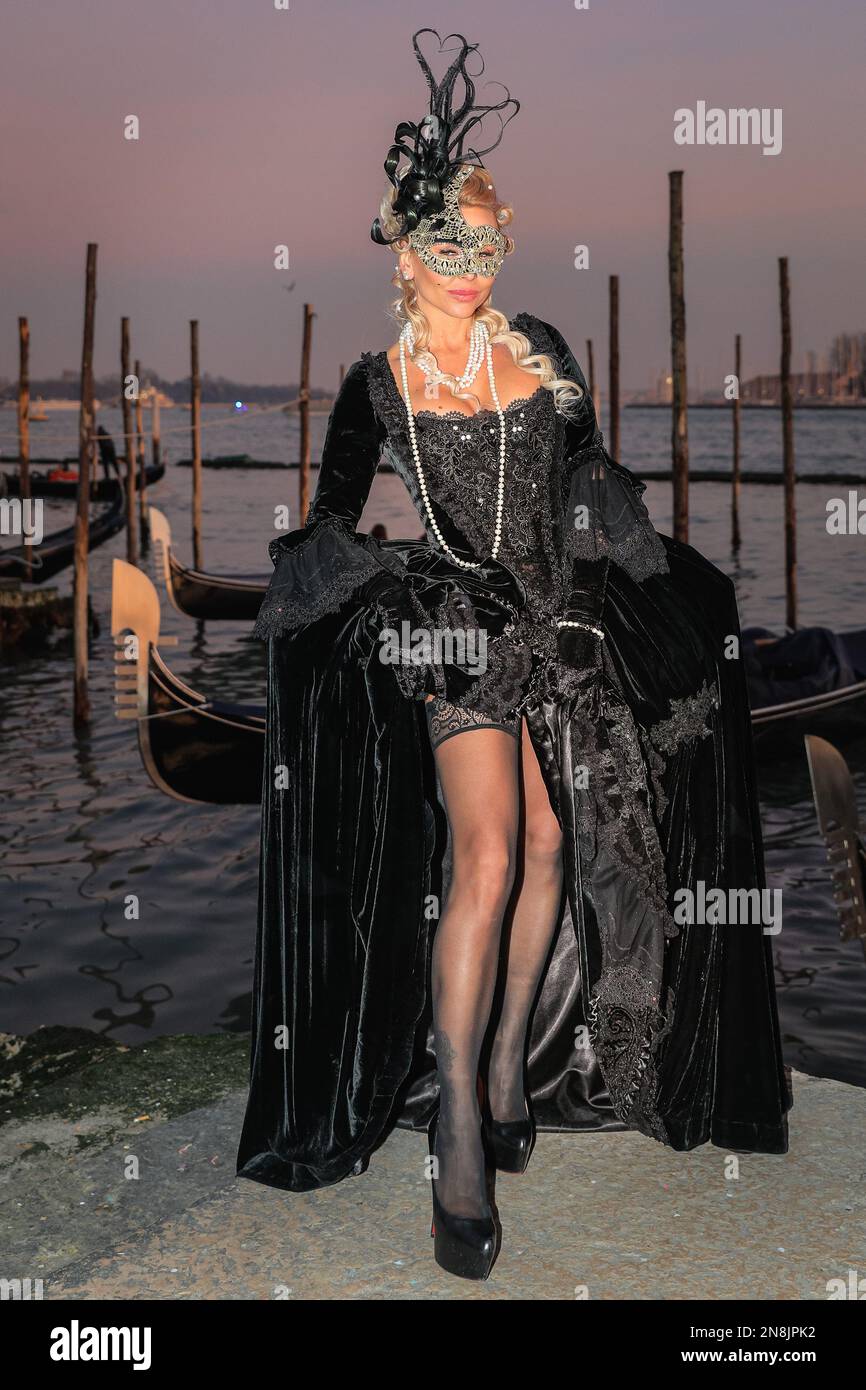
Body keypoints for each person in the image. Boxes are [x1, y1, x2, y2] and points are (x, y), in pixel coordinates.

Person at [237, 28, 790, 1282]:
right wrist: (368, 591)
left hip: (561, 627)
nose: (472, 269)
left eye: (487, 244)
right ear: (404, 248)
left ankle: (498, 1066)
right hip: (455, 635)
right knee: (485, 845)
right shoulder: (375, 387)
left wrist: (617, 571)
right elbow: (325, 527)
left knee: (553, 841)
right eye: (447, 247)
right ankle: (459, 1142)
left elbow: (591, 486)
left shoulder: (541, 351)